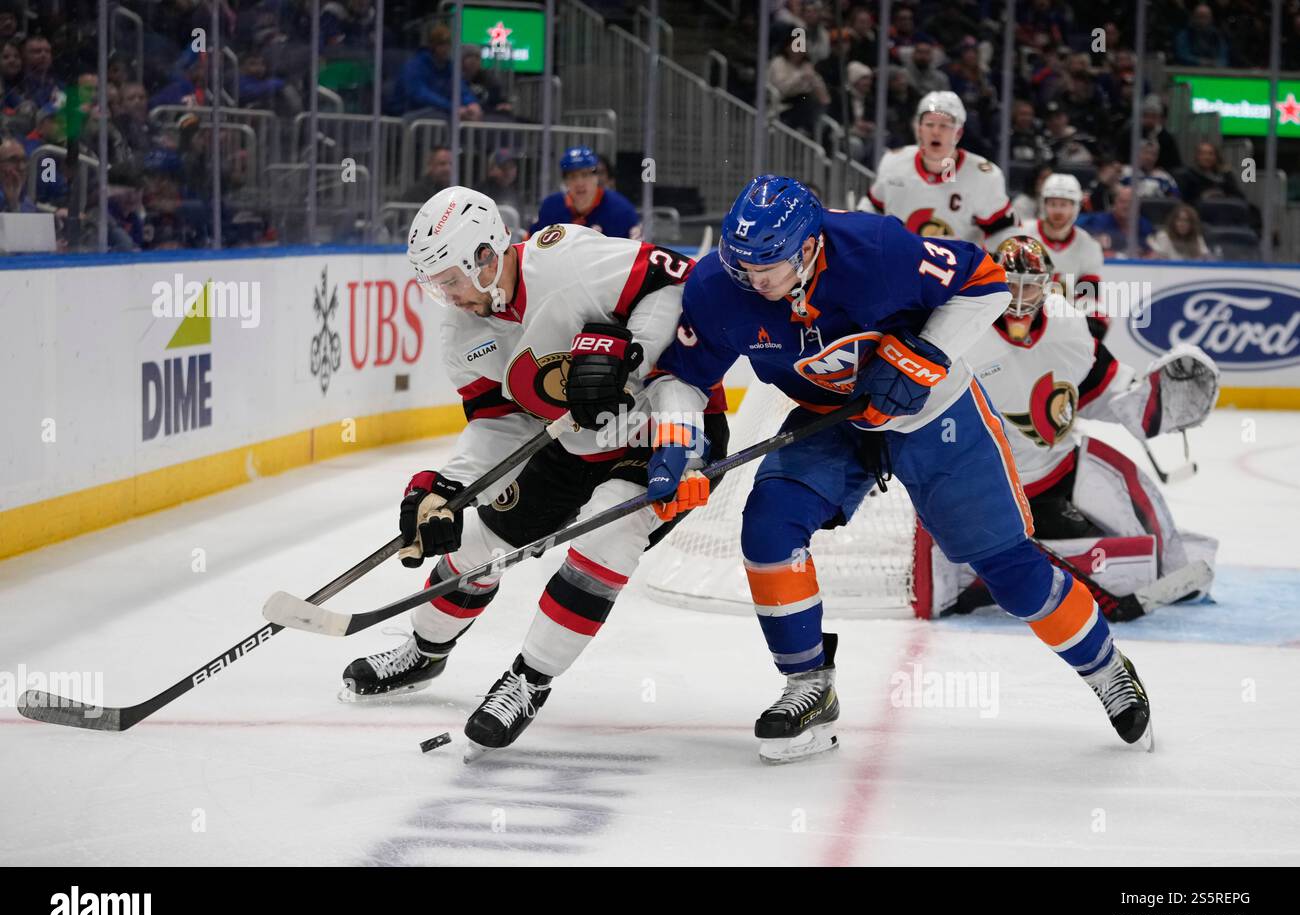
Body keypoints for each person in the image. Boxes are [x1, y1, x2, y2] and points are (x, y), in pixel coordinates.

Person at [648, 175, 1154, 763]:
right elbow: (683, 375)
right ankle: (809, 686)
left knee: (1007, 570)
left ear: (809, 248)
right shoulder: (719, 285)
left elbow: (986, 281)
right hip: (829, 418)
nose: (753, 283)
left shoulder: (877, 249)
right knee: (767, 528)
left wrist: (925, 355)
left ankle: (1106, 668)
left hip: (934, 411)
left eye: (769, 268)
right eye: (743, 266)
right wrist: (675, 447)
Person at [343, 187, 727, 756]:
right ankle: (424, 654)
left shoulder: (565, 258)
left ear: (484, 255)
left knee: (607, 536)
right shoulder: (461, 331)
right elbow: (501, 424)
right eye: (433, 284)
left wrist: (631, 356)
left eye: (448, 278)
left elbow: (678, 281)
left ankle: (529, 679)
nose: (444, 296)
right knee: (478, 542)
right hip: (574, 441)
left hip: (666, 429)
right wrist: (450, 488)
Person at [953, 235, 1219, 609]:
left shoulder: (1068, 325)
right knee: (1071, 559)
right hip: (995, 491)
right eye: (1010, 285)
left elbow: (1101, 391)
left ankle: (1169, 566)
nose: (1018, 297)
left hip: (1060, 470)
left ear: (1048, 286)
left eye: (1029, 287)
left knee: (1130, 521)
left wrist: (1154, 405)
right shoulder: (966, 332)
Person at [863, 90, 1016, 243]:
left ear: (958, 133)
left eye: (944, 126)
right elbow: (871, 207)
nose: (935, 132)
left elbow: (1003, 231)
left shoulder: (984, 177)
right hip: (898, 262)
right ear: (918, 128)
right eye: (929, 124)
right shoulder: (894, 162)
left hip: (958, 266)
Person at [993, 173, 1108, 336]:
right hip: (1015, 318)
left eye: (1064, 205)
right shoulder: (1019, 235)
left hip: (1060, 327)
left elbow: (1088, 297)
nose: (1058, 211)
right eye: (1053, 204)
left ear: (1075, 207)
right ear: (1043, 205)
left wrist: (1094, 318)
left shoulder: (1089, 247)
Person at [529, 144, 640, 239]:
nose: (579, 183)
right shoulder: (551, 207)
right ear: (565, 182)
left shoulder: (621, 211)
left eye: (585, 175)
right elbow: (530, 245)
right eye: (572, 176)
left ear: (596, 178)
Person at [394, 24, 482, 120]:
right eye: (441, 44)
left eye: (448, 44)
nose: (446, 48)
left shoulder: (449, 67)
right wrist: (452, 108)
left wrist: (472, 103)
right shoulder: (415, 66)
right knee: (444, 118)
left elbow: (460, 89)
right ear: (432, 46)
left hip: (438, 111)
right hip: (409, 114)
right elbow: (420, 94)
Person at [1078, 185, 1151, 258]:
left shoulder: (1144, 224)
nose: (1126, 206)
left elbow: (1151, 249)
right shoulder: (1100, 221)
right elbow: (1082, 240)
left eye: (1131, 203)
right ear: (1115, 203)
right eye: (1123, 202)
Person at [1147, 202, 1212, 260]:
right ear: (1173, 222)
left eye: (1186, 221)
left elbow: (1206, 257)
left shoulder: (1197, 238)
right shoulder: (1163, 237)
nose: (1182, 224)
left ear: (1192, 224)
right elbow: (1159, 260)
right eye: (1179, 220)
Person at [0, 134, 35, 211]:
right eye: (13, 160)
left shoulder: (27, 204)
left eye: (24, 160)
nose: (21, 167)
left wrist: (13, 203)